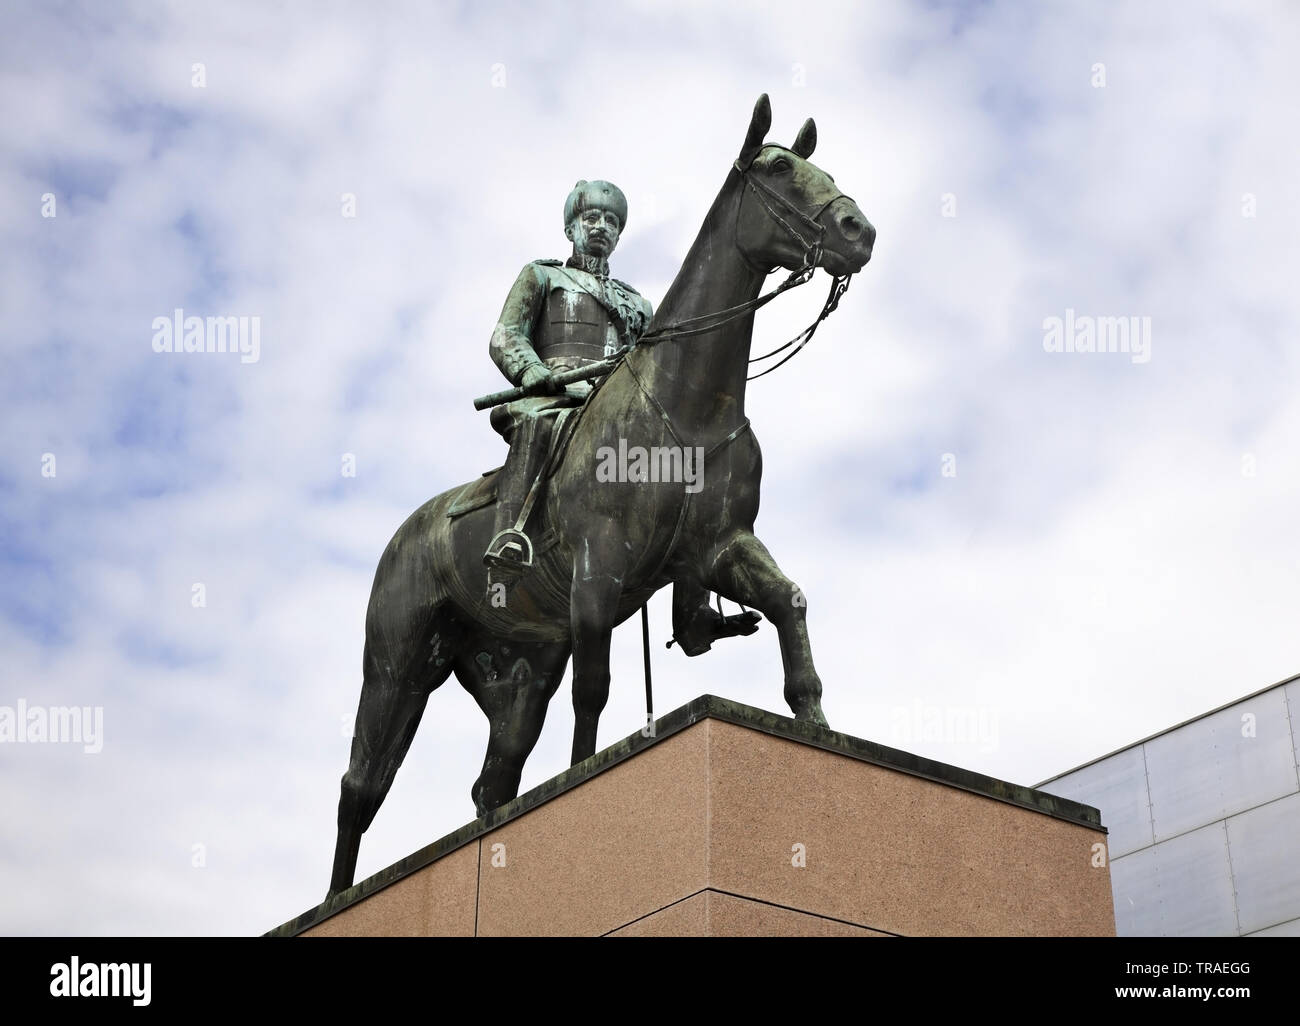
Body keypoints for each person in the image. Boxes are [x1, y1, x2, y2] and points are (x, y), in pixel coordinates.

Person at [483, 179, 759, 655]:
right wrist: (533, 372)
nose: (601, 227)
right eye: (592, 218)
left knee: (687, 474)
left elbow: (655, 370)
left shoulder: (637, 304)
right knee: (538, 424)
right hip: (556, 397)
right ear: (571, 226)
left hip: (617, 410)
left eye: (611, 221)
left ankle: (691, 613)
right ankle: (510, 538)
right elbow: (505, 336)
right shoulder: (543, 277)